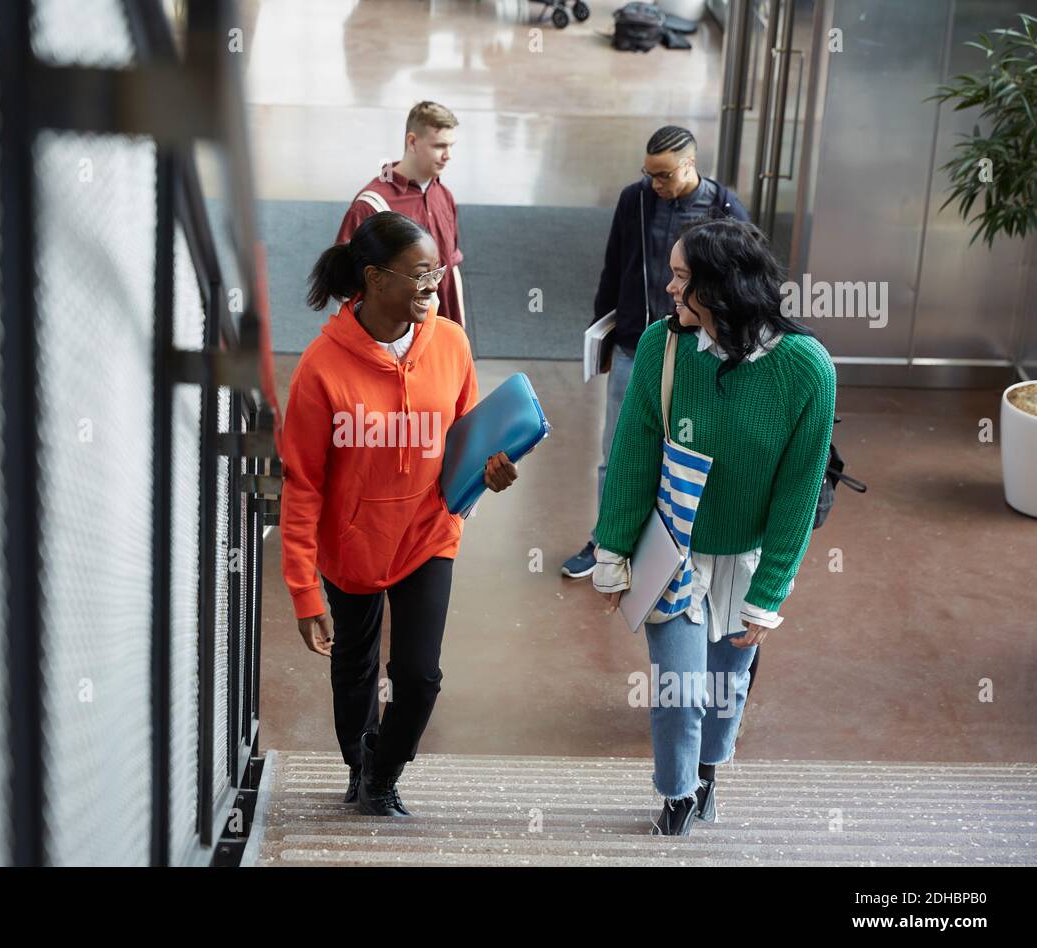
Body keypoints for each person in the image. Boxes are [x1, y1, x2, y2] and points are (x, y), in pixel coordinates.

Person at [591, 218, 836, 836]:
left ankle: (708, 773)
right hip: (673, 549)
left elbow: (798, 492)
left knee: (725, 693)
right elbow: (633, 453)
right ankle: (676, 794)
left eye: (680, 277)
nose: (668, 288)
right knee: (678, 687)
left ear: (723, 286)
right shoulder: (662, 345)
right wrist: (613, 551)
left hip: (746, 560)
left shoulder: (806, 369)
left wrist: (769, 594)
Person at [279, 210, 520, 817]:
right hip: (352, 542)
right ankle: (358, 769)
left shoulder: (451, 342)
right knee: (354, 672)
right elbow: (302, 484)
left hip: (427, 532)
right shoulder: (321, 367)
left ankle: (382, 774)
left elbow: (466, 439)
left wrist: (489, 473)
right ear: (374, 279)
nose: (431, 286)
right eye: (417, 275)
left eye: (435, 272)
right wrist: (304, 591)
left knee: (419, 676)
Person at [562, 126, 749, 578]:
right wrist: (604, 331)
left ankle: (675, 544)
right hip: (635, 344)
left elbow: (744, 284)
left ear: (690, 164)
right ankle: (606, 539)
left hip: (698, 352)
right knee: (618, 449)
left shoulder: (725, 208)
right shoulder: (636, 199)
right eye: (649, 174)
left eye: (663, 175)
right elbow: (614, 264)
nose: (655, 185)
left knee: (687, 449)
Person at [335, 101, 467, 327]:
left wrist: (458, 330)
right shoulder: (370, 206)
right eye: (439, 146)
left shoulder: (444, 195)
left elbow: (451, 269)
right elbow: (345, 288)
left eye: (451, 146)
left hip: (440, 340)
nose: (448, 155)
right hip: (396, 346)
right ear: (412, 142)